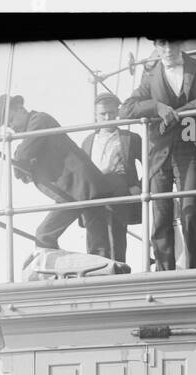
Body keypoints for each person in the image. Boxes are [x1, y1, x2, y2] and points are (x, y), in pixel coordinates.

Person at [119, 39, 196, 270]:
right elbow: (126, 108)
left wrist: (179, 113)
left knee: (190, 211)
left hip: (188, 138)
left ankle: (195, 269)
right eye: (162, 44)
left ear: (180, 44)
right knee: (161, 214)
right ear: (157, 46)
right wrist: (157, 107)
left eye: (172, 43)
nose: (168, 50)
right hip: (158, 149)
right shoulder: (151, 75)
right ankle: (164, 270)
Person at [0, 93, 114, 259]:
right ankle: (92, 270)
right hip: (75, 190)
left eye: (11, 120)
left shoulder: (39, 120)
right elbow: (24, 161)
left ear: (20, 109)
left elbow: (23, 154)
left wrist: (23, 163)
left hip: (79, 188)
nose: (11, 127)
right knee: (96, 241)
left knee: (45, 235)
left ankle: (76, 270)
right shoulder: (34, 128)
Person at [82, 91, 144, 264]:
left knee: (116, 233)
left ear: (117, 112)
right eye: (103, 114)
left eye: (111, 112)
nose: (108, 117)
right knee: (94, 233)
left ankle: (118, 269)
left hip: (119, 185)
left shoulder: (130, 138)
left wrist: (139, 186)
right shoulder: (87, 141)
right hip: (94, 188)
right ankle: (96, 271)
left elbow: (152, 163)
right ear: (96, 115)